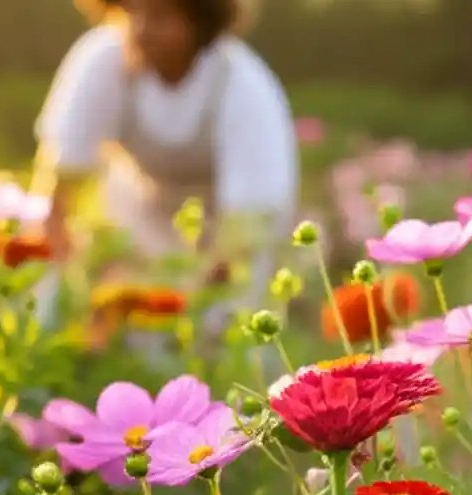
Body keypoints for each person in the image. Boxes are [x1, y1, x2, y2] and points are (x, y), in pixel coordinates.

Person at [35, 0, 297, 324]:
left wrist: (201, 297)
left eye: (159, 17)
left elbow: (249, 223)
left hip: (227, 226)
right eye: (132, 11)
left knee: (224, 322)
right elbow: (62, 174)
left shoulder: (241, 84)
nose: (142, 29)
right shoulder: (101, 59)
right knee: (131, 325)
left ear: (199, 22)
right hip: (142, 207)